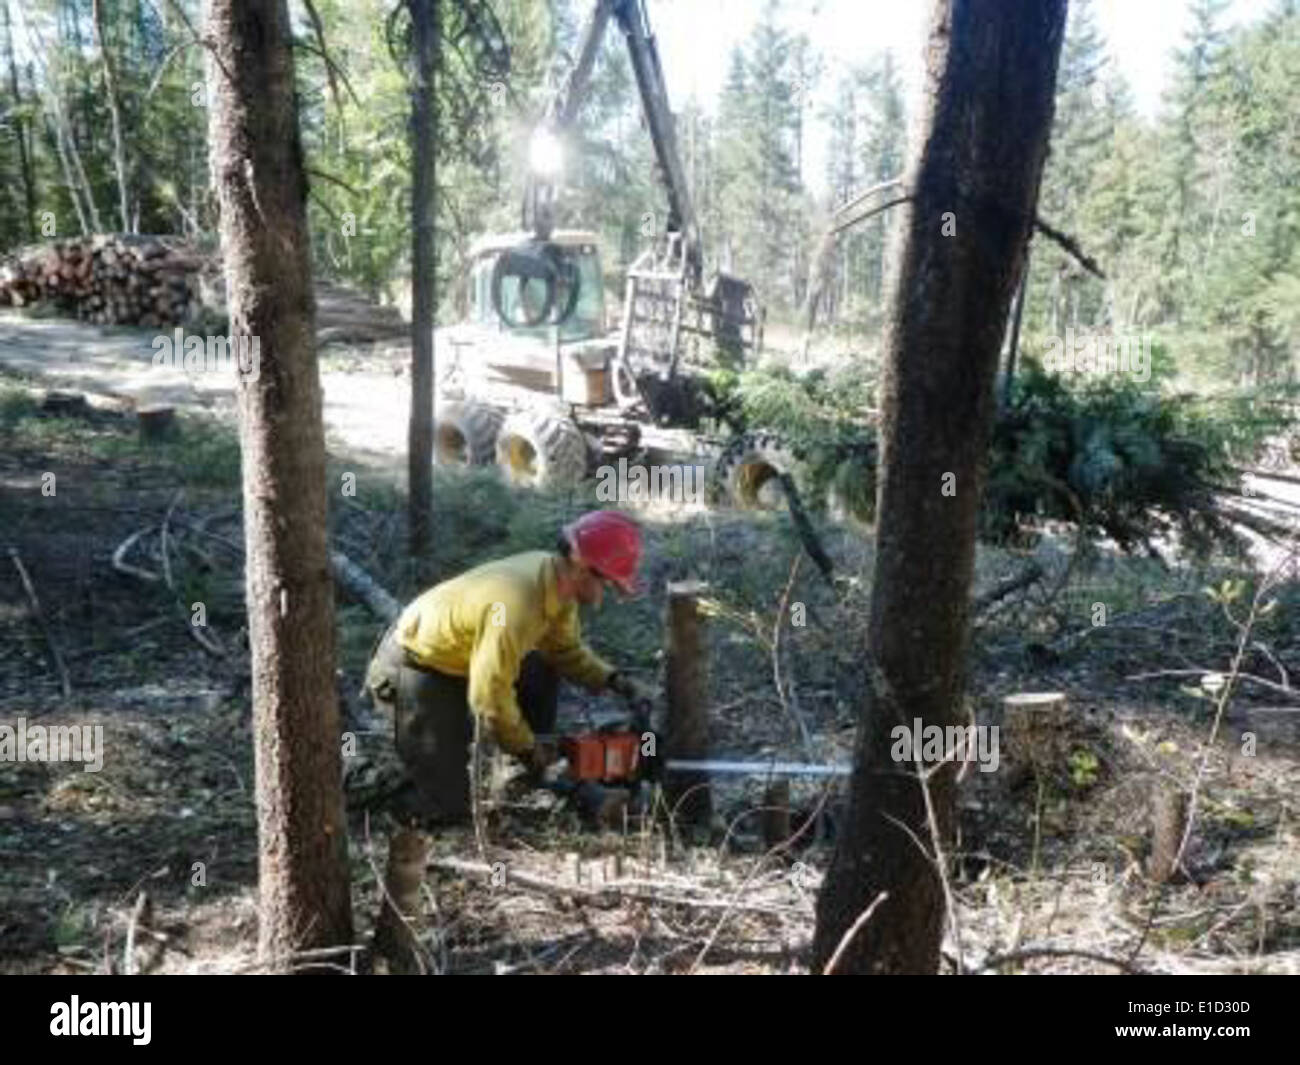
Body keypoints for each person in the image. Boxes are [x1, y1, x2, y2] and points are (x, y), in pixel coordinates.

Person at [366, 510, 649, 823]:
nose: (600, 599)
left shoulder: (555, 583)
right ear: (583, 567)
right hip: (416, 666)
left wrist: (613, 680)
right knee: (448, 808)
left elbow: (564, 651)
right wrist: (527, 748)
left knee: (543, 663)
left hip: (464, 662)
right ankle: (355, 777)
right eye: (606, 586)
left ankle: (523, 770)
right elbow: (488, 696)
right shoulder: (515, 602)